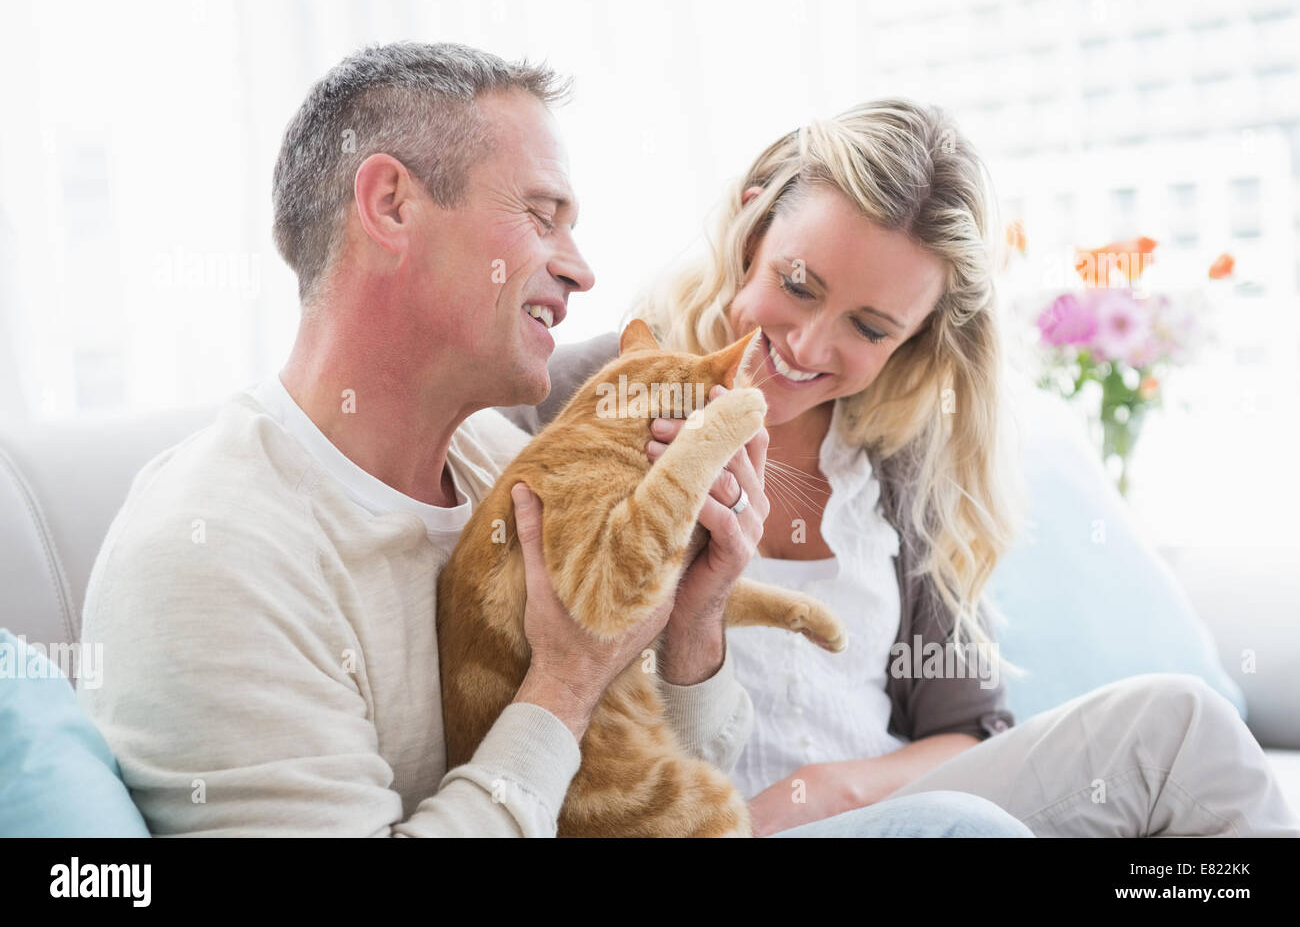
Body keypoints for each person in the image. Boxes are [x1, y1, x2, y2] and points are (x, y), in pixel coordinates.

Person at [75, 42, 1028, 837]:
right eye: (541, 216)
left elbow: (648, 798)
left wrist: (692, 626)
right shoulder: (214, 548)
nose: (581, 269)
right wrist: (569, 678)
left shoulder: (503, 467)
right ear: (392, 205)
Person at [502, 98, 1300, 838]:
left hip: (891, 821)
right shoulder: (581, 395)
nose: (810, 347)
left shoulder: (898, 455)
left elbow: (967, 725)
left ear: (914, 337)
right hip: (690, 821)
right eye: (798, 284)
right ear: (752, 226)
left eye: (871, 328)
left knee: (1183, 729)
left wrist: (828, 789)